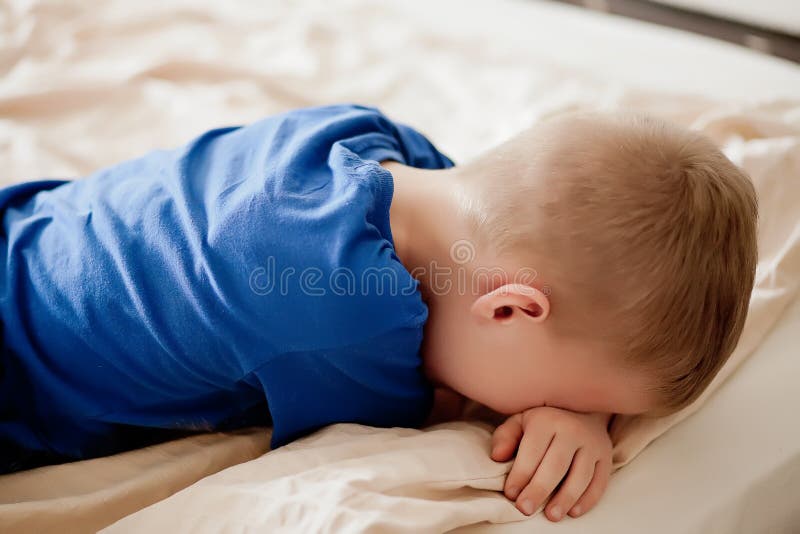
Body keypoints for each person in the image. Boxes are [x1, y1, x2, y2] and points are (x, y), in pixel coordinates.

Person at [0, 104, 757, 522]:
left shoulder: (369, 136)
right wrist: (569, 420)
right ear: (512, 309)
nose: (553, 412)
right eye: (568, 397)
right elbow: (428, 408)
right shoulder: (348, 318)